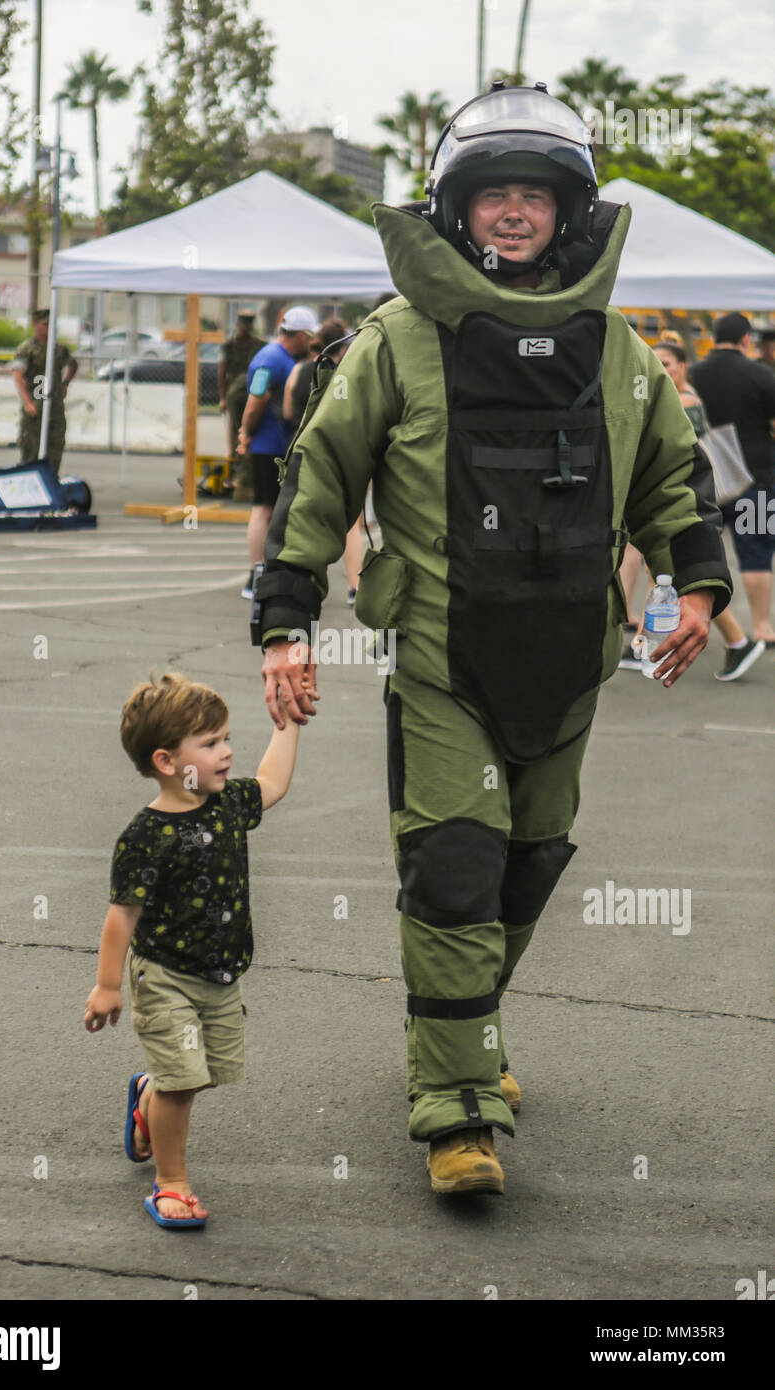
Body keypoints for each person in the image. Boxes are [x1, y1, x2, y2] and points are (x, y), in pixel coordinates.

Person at [250, 82, 732, 1196]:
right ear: (455, 211)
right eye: (491, 197)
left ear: (565, 214)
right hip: (438, 658)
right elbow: (315, 477)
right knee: (458, 867)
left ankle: (461, 1026)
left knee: (525, 867)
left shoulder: (616, 353)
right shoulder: (397, 343)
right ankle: (456, 1109)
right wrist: (286, 617)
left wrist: (696, 588)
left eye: (532, 196)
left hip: (568, 662)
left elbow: (671, 481)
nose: (511, 213)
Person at [83, 671, 302, 1226]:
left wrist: (290, 722)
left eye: (226, 739)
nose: (227, 752)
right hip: (164, 976)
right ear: (165, 762)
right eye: (210, 744)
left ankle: (147, 1097)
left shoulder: (227, 804)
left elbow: (272, 783)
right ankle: (171, 1184)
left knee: (199, 1075)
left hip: (221, 974)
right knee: (182, 1084)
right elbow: (121, 916)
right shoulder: (145, 836)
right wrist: (109, 986)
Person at [653, 340, 765, 680]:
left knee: (678, 571)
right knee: (664, 572)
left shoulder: (684, 402)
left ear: (684, 366)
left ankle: (738, 640)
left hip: (681, 501)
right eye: (657, 363)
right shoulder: (684, 398)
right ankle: (648, 639)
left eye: (668, 363)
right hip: (677, 499)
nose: (662, 369)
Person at [690, 313, 775, 647]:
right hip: (757, 482)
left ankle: (708, 624)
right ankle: (762, 627)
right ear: (745, 340)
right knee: (757, 553)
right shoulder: (761, 375)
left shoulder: (693, 374)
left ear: (713, 338)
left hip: (705, 483)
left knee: (702, 555)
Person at [238, 305, 320, 600]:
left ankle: (265, 573)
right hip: (268, 448)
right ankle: (255, 574)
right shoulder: (270, 359)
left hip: (276, 446)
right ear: (299, 335)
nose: (311, 342)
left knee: (273, 511)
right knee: (264, 509)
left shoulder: (282, 357)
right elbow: (255, 399)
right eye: (309, 336)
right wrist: (246, 433)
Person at [283, 318, 365, 605]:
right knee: (351, 523)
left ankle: (298, 589)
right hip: (340, 451)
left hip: (302, 449)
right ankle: (355, 585)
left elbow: (287, 410)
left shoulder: (299, 370)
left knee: (303, 521)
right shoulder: (347, 372)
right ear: (342, 347)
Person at [11, 309, 77, 475]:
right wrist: (27, 402)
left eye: (51, 324)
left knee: (55, 446)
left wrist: (65, 383)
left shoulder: (58, 349)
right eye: (45, 324)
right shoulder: (27, 349)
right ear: (36, 325)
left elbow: (73, 364)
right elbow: (18, 375)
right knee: (31, 449)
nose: (49, 328)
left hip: (55, 406)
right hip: (36, 405)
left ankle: (51, 481)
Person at [219, 311, 266, 499]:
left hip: (251, 394)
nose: (245, 330)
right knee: (235, 433)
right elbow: (222, 373)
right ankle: (235, 472)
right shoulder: (229, 346)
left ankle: (246, 476)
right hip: (234, 395)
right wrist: (222, 398)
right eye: (242, 325)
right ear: (238, 325)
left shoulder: (259, 345)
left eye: (248, 326)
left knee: (249, 431)